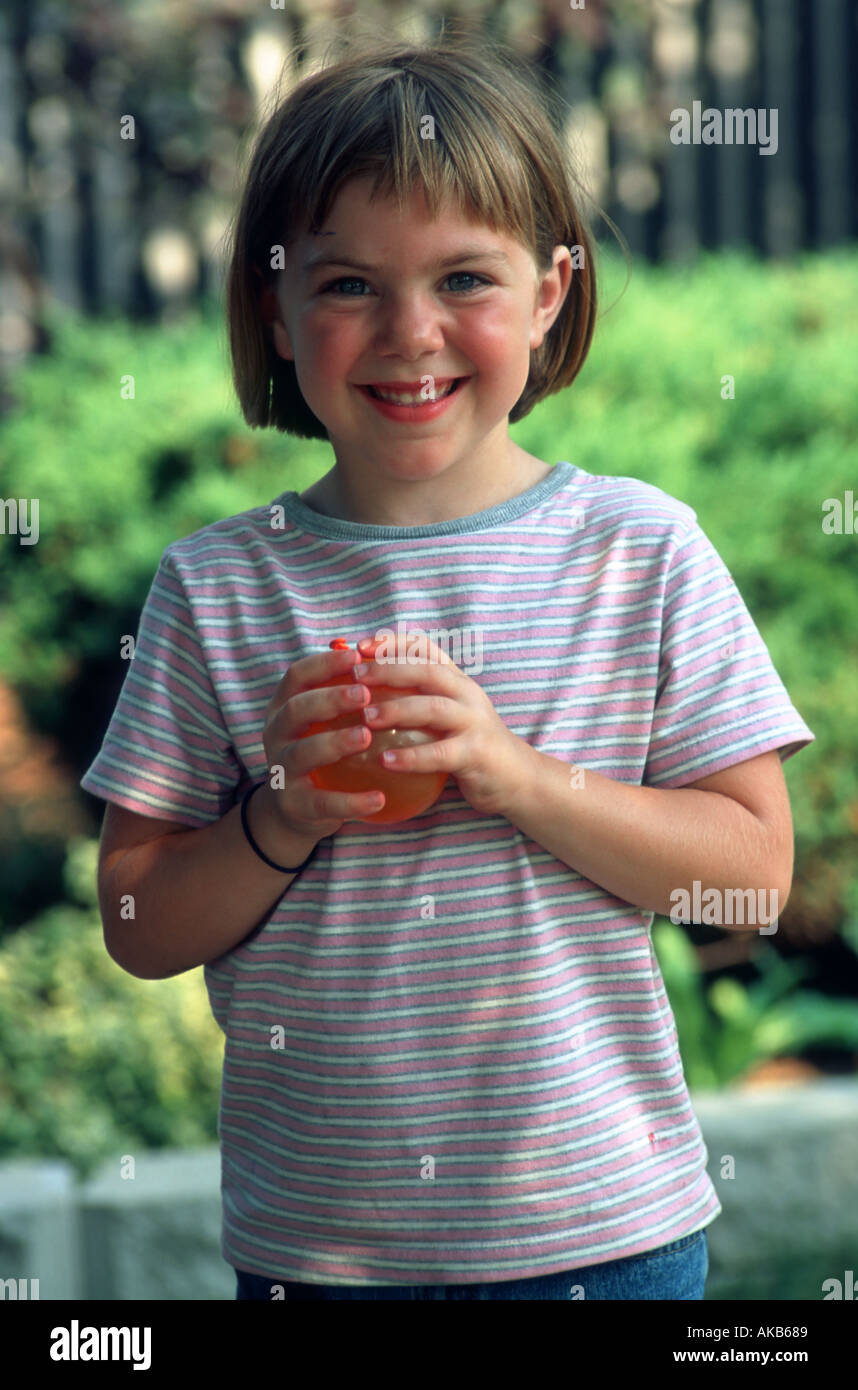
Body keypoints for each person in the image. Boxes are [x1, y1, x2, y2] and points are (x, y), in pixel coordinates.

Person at [82, 32, 814, 1302]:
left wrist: (516, 775)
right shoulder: (220, 584)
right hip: (320, 1254)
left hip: (602, 1237)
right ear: (275, 305)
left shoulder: (637, 550)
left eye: (465, 276)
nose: (409, 333)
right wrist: (286, 813)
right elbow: (138, 920)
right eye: (349, 283)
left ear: (549, 293)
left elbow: (748, 880)